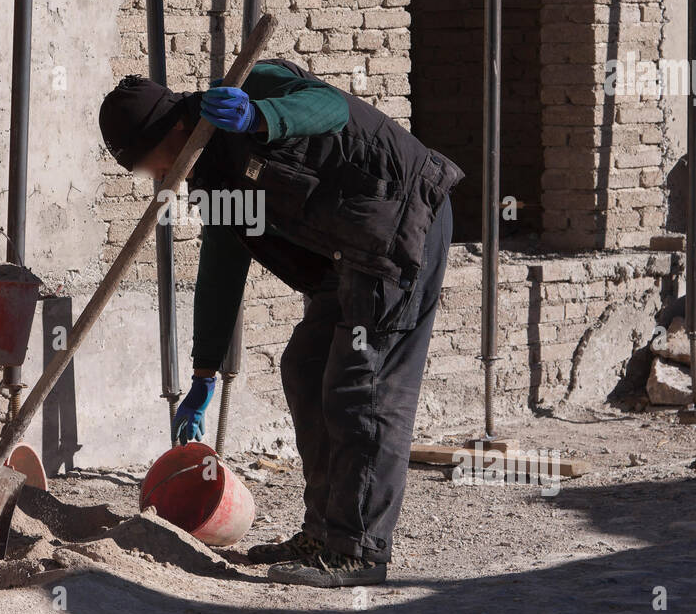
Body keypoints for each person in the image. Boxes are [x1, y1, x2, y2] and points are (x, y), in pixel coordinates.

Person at [98, 59, 462, 587]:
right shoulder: (210, 176)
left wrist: (259, 116)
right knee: (306, 365)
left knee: (362, 384)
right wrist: (204, 374)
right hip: (349, 253)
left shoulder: (251, 86)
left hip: (401, 222)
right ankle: (322, 532)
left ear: (173, 130)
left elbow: (329, 108)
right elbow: (222, 265)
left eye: (149, 163)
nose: (154, 176)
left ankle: (358, 550)